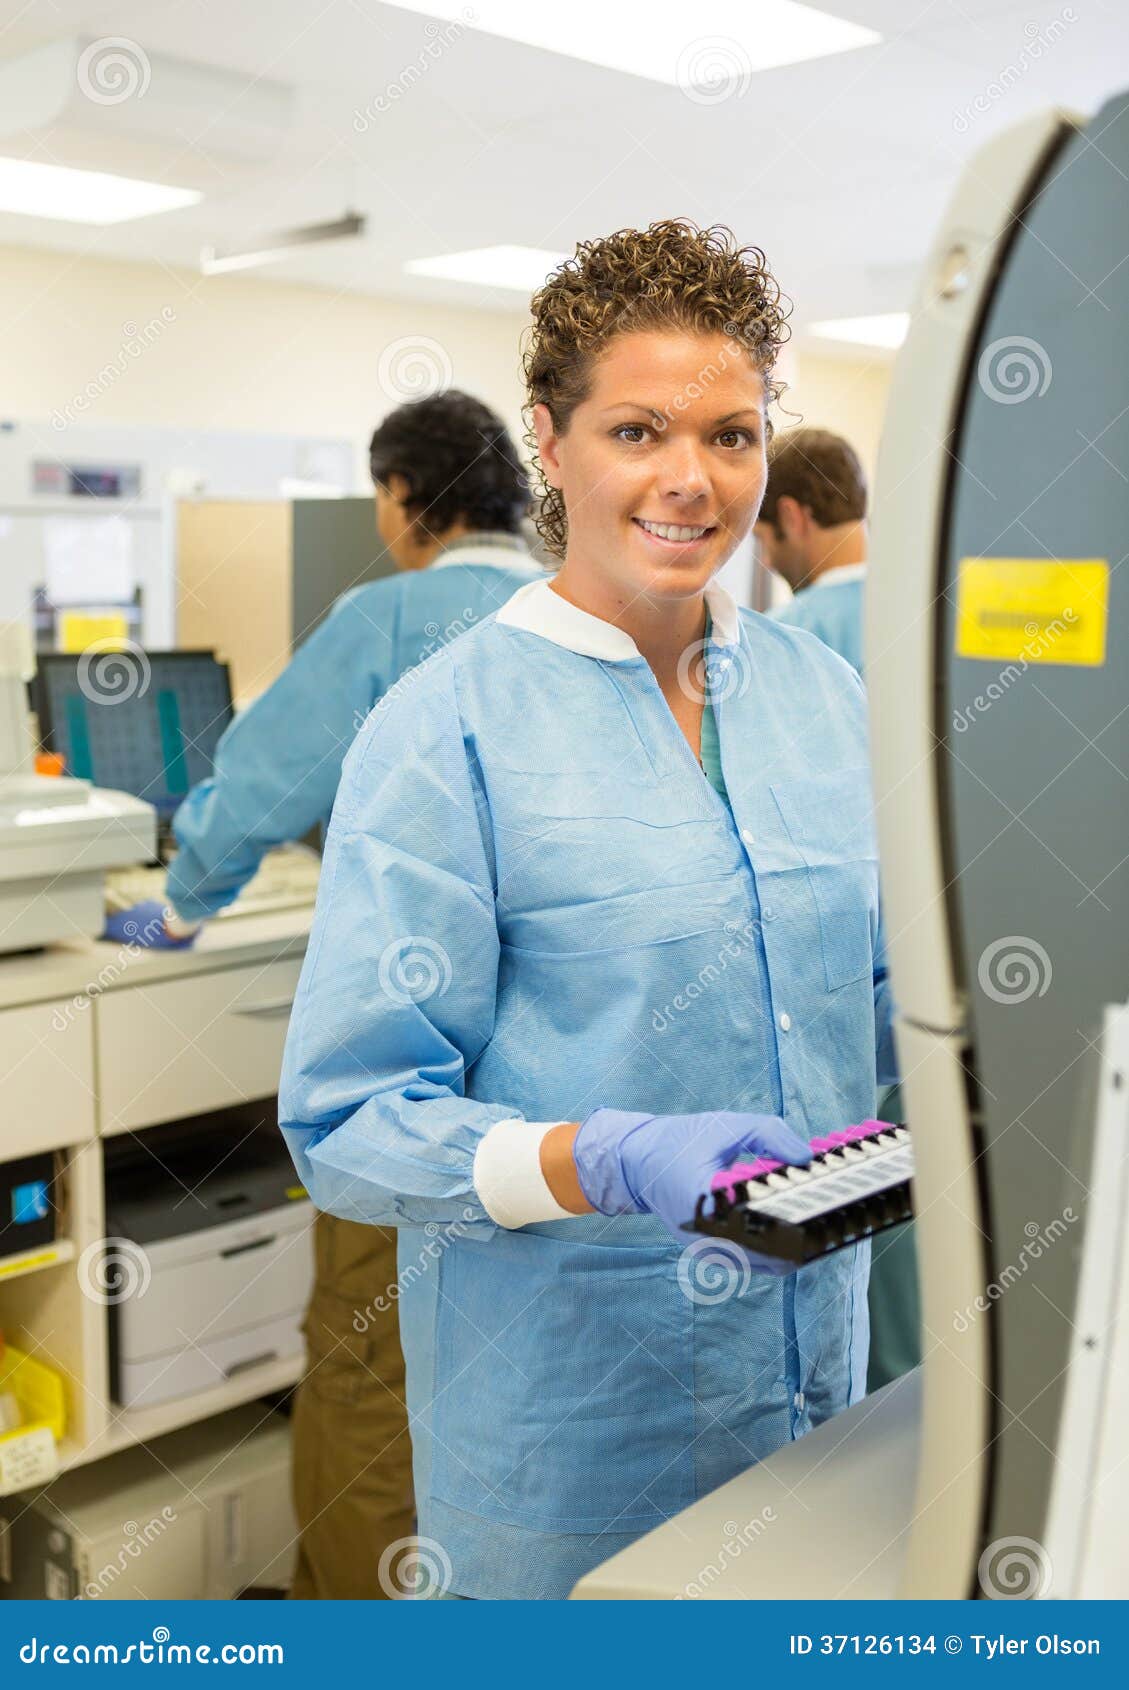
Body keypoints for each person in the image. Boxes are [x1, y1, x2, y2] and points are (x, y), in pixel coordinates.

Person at [279, 221, 897, 1600]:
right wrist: (590, 1155)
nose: (693, 479)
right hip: (571, 1436)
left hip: (814, 1389)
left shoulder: (824, 703)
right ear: (551, 445)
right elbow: (348, 1119)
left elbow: (880, 1007)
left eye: (734, 435)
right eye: (639, 430)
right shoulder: (446, 729)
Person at [107, 390, 541, 1599]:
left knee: (363, 1362)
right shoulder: (589, 607)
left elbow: (262, 775)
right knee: (523, 1359)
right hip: (574, 1086)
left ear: (405, 501)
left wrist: (181, 902)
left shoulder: (390, 614)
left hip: (428, 1076)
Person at [758, 427, 919, 1391]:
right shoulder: (948, 608)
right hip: (961, 983)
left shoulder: (791, 649)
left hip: (844, 980)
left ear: (791, 517)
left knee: (857, 1261)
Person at [755, 427, 868, 674]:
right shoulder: (929, 606)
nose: (767, 560)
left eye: (762, 539)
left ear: (790, 517)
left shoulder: (780, 636)